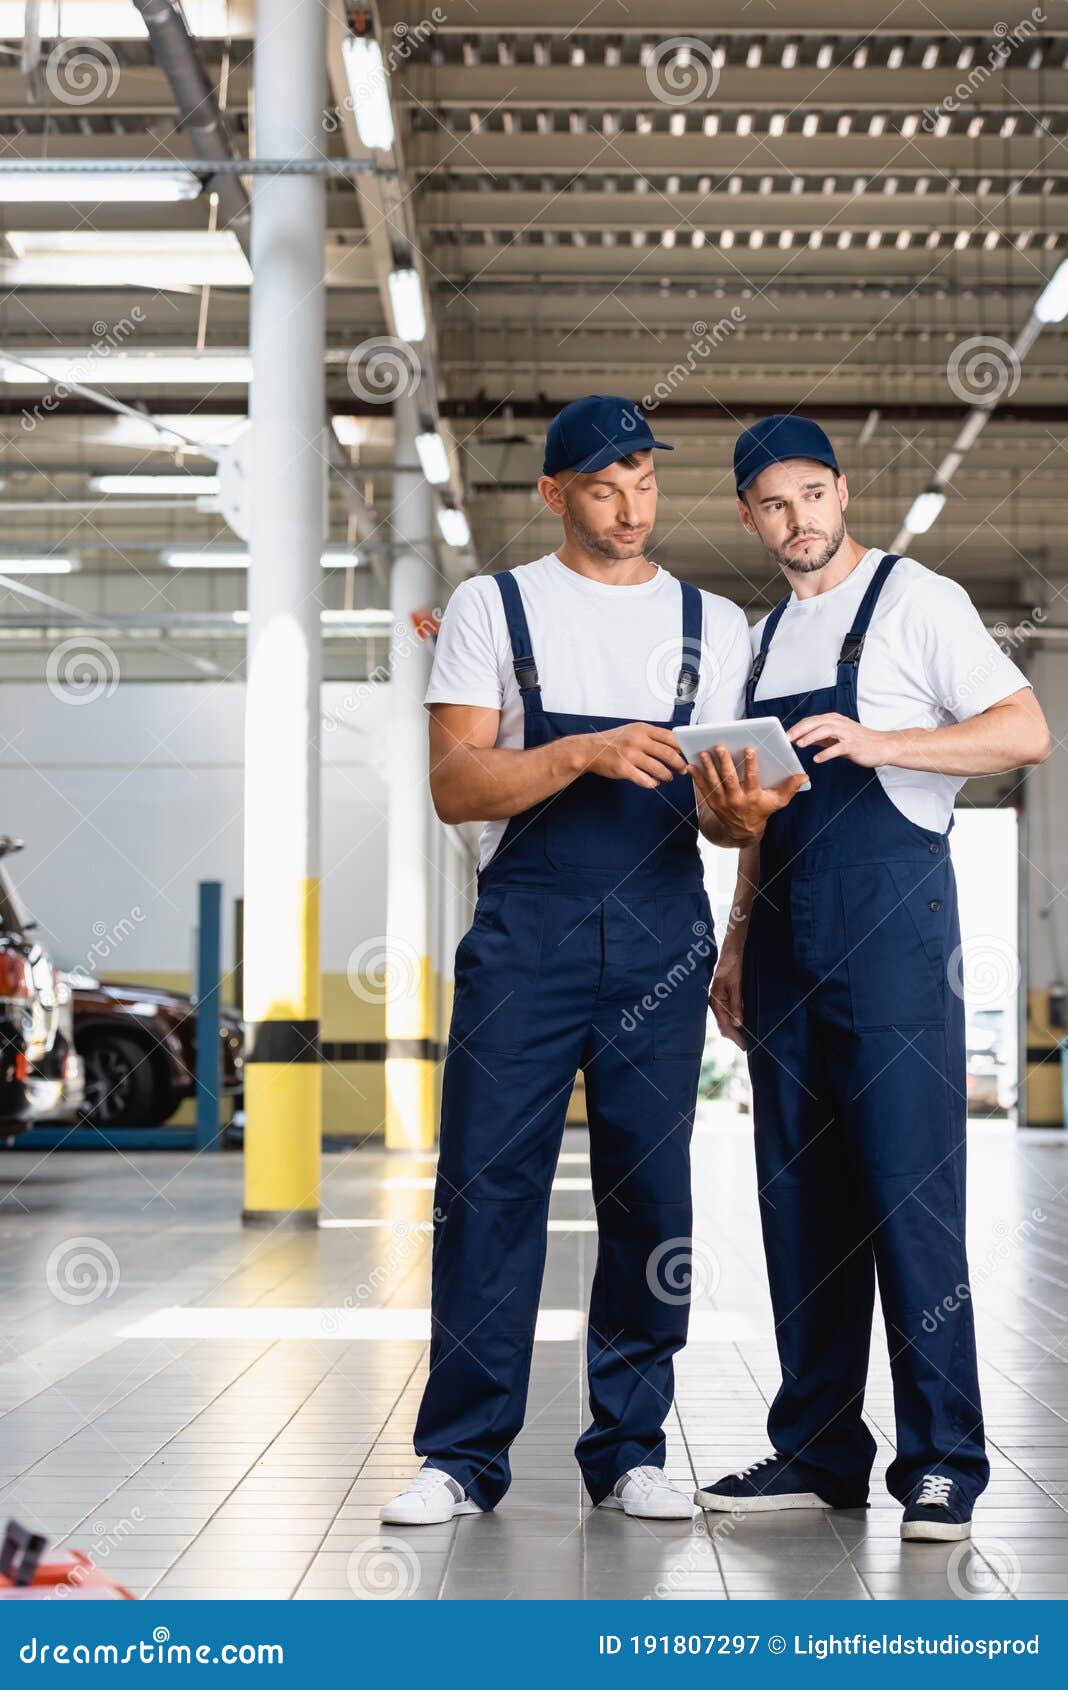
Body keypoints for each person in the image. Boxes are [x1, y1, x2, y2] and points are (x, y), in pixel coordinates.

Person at [381, 395, 802, 1526]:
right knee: (486, 1182)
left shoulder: (715, 624)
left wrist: (738, 810)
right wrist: (577, 750)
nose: (631, 510)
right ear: (555, 494)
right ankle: (462, 1456)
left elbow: (728, 826)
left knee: (649, 1191)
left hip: (662, 926)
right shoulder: (491, 605)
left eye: (647, 484)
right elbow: (455, 784)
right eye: (605, 489)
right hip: (529, 925)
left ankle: (629, 1448)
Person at [696, 414, 1050, 1542]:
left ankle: (944, 1458)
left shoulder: (916, 601)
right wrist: (740, 937)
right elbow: (751, 816)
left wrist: (888, 740)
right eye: (772, 504)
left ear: (840, 494)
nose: (796, 521)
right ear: (751, 517)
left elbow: (1026, 730)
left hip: (894, 934)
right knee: (800, 1204)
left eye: (812, 495)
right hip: (789, 942)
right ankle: (817, 1450)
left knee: (910, 1197)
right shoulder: (758, 641)